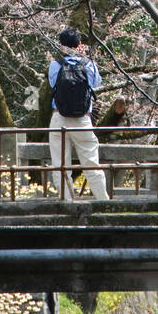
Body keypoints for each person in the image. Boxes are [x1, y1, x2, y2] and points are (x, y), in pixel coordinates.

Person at [47, 27, 108, 200]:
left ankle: (68, 202)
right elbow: (96, 83)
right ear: (79, 44)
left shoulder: (55, 65)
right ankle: (103, 201)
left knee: (60, 164)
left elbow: (53, 85)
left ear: (61, 44)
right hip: (83, 120)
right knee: (91, 162)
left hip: (59, 118)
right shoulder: (89, 64)